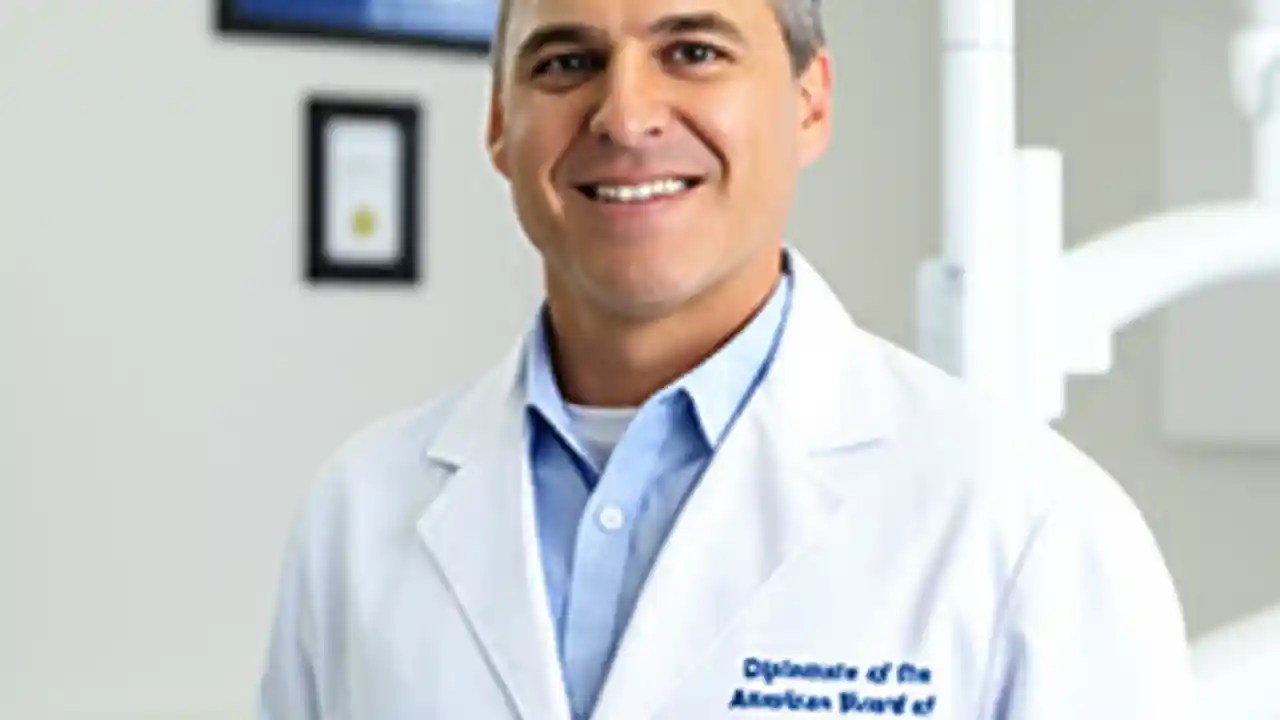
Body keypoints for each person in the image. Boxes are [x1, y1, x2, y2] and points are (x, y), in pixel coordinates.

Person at [259, 0, 1195, 717]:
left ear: (810, 103)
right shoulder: (362, 510)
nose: (624, 115)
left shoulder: (1032, 529)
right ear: (500, 124)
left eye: (693, 52)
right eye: (568, 61)